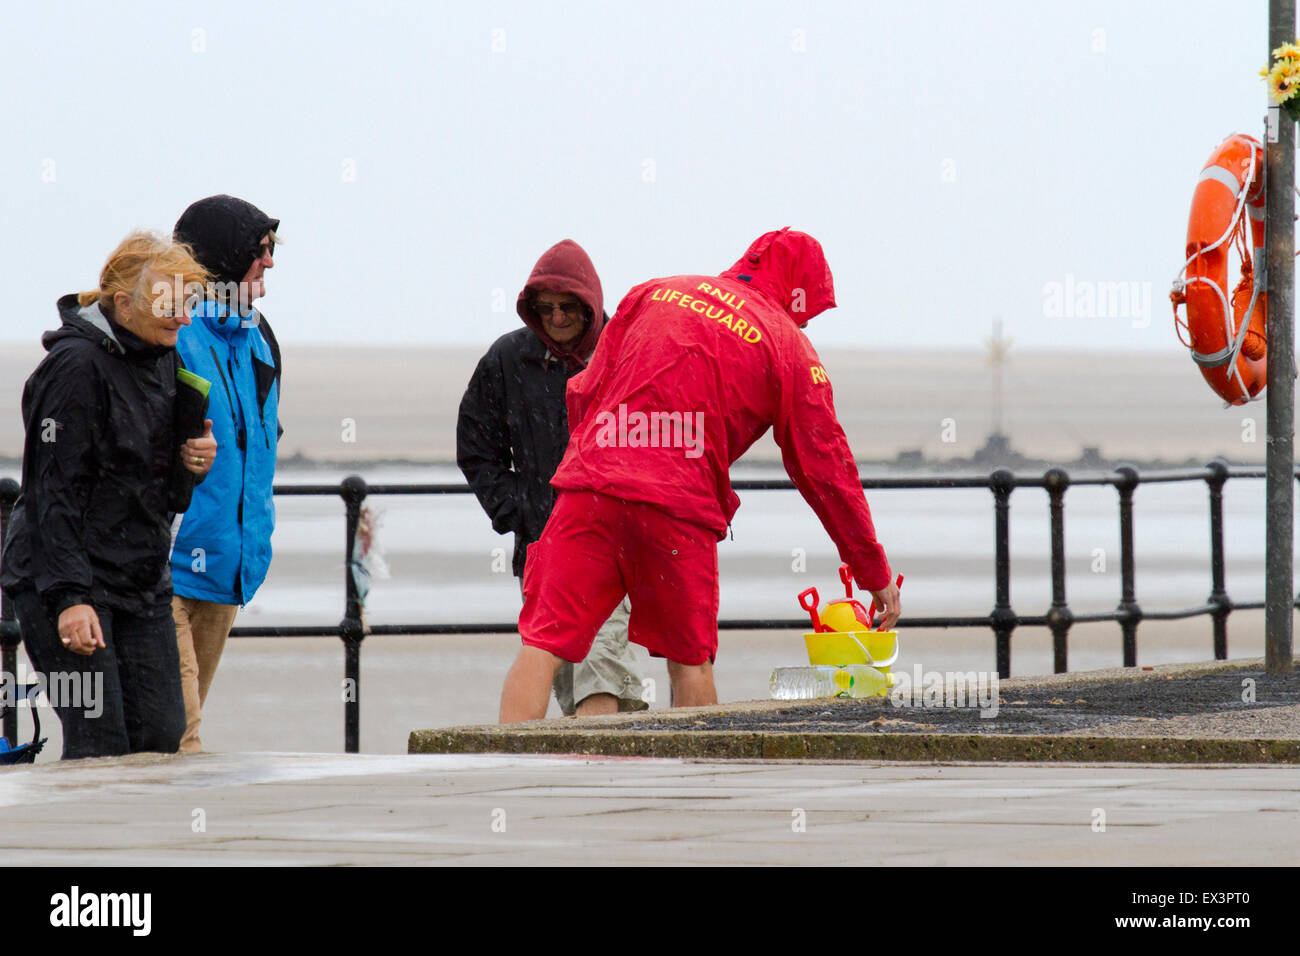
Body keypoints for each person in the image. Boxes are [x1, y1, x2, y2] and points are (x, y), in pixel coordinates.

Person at [499, 228, 901, 722]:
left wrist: (593, 466)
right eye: (811, 309)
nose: (808, 321)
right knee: (690, 662)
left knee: (542, 643)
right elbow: (826, 469)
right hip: (676, 508)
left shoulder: (654, 292)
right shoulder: (788, 345)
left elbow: (584, 390)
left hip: (590, 488)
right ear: (800, 293)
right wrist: (873, 572)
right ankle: (696, 784)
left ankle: (507, 770)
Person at [0, 232, 216, 758]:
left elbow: (163, 491)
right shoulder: (75, 368)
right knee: (102, 742)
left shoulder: (162, 354)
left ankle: (143, 843)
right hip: (63, 578)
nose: (182, 318)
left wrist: (193, 464)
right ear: (123, 304)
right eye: (169, 305)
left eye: (187, 305)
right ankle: (82, 842)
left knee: (162, 737)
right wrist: (71, 599)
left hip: (139, 578)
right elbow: (53, 491)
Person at [458, 240, 646, 716]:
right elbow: (477, 447)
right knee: (555, 664)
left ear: (591, 305)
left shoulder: (626, 352)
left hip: (612, 543)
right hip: (543, 545)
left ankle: (583, 775)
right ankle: (557, 773)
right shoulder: (507, 360)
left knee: (597, 668)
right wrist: (520, 509)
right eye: (545, 308)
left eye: (569, 308)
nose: (557, 318)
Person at [168, 195, 284, 753]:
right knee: (181, 735)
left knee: (167, 742)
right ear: (220, 258)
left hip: (225, 572)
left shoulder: (260, 341)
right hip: (165, 569)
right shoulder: (172, 335)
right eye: (258, 251)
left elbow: (260, 450)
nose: (268, 264)